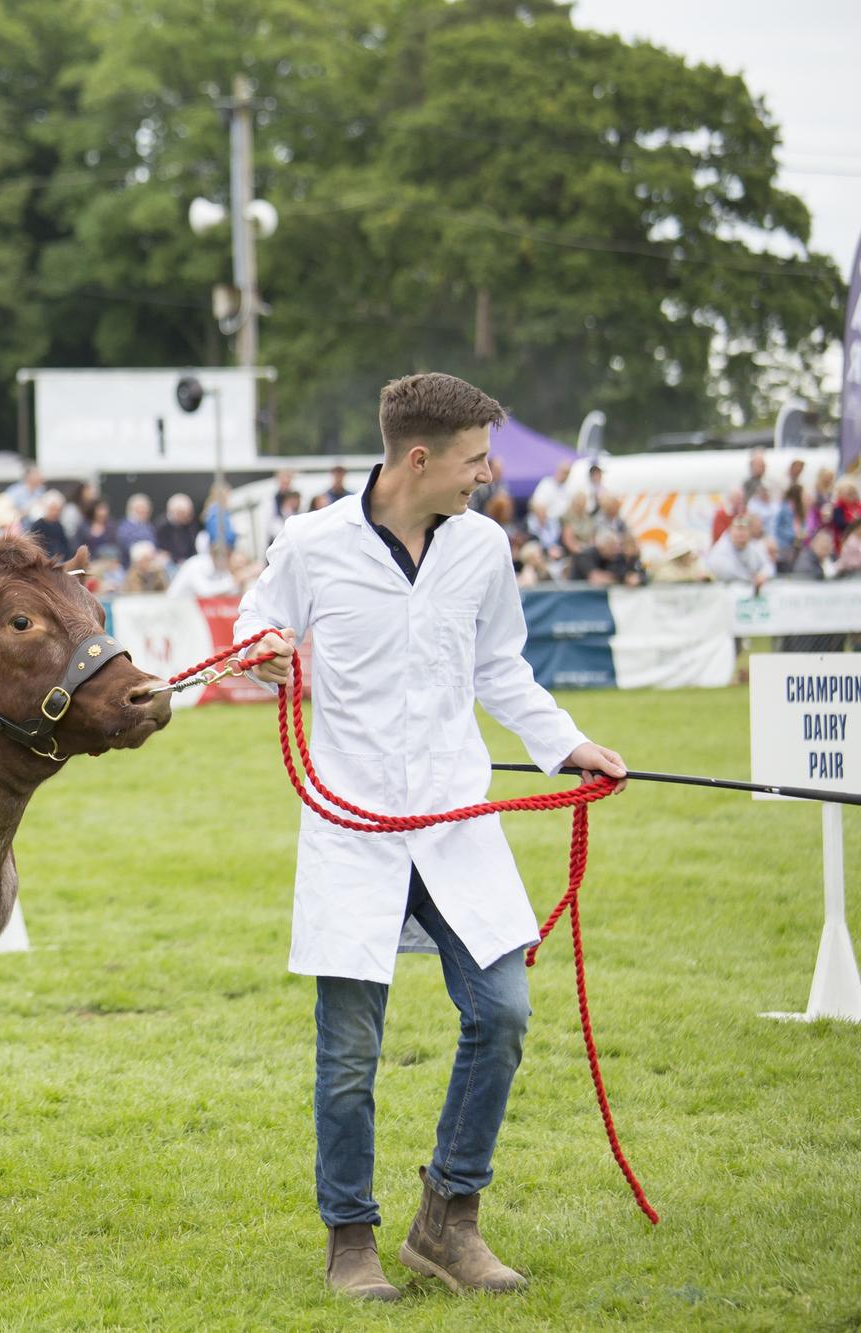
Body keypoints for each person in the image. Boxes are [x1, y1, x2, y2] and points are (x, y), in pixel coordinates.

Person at [234, 372, 626, 1302]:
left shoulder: (484, 547)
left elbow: (503, 668)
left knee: (503, 1013)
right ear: (420, 457)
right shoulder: (312, 543)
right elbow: (256, 627)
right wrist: (264, 654)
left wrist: (565, 743)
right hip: (353, 826)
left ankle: (449, 1218)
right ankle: (351, 1239)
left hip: (456, 821)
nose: (488, 475)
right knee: (348, 1055)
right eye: (475, 459)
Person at [706, 515, 774, 590]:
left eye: (744, 529)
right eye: (738, 529)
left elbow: (769, 566)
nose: (741, 534)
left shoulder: (755, 546)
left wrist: (763, 575)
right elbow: (727, 572)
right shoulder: (720, 550)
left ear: (750, 532)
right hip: (723, 591)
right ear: (730, 531)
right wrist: (752, 578)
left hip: (748, 590)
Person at [25, 490, 73, 560]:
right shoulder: (38, 525)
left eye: (58, 510)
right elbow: (34, 546)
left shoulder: (59, 525)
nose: (55, 512)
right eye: (52, 509)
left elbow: (66, 545)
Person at [156, 494, 199, 566]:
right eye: (185, 514)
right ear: (176, 513)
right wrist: (177, 560)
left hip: (188, 561)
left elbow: (193, 544)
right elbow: (162, 550)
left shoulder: (189, 524)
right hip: (171, 563)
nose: (189, 517)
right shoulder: (161, 526)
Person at [116, 494, 159, 565]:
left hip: (151, 560)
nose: (146, 511)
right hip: (130, 564)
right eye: (142, 508)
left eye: (147, 509)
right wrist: (143, 551)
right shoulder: (124, 526)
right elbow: (126, 545)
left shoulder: (149, 526)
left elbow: (154, 542)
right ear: (133, 509)